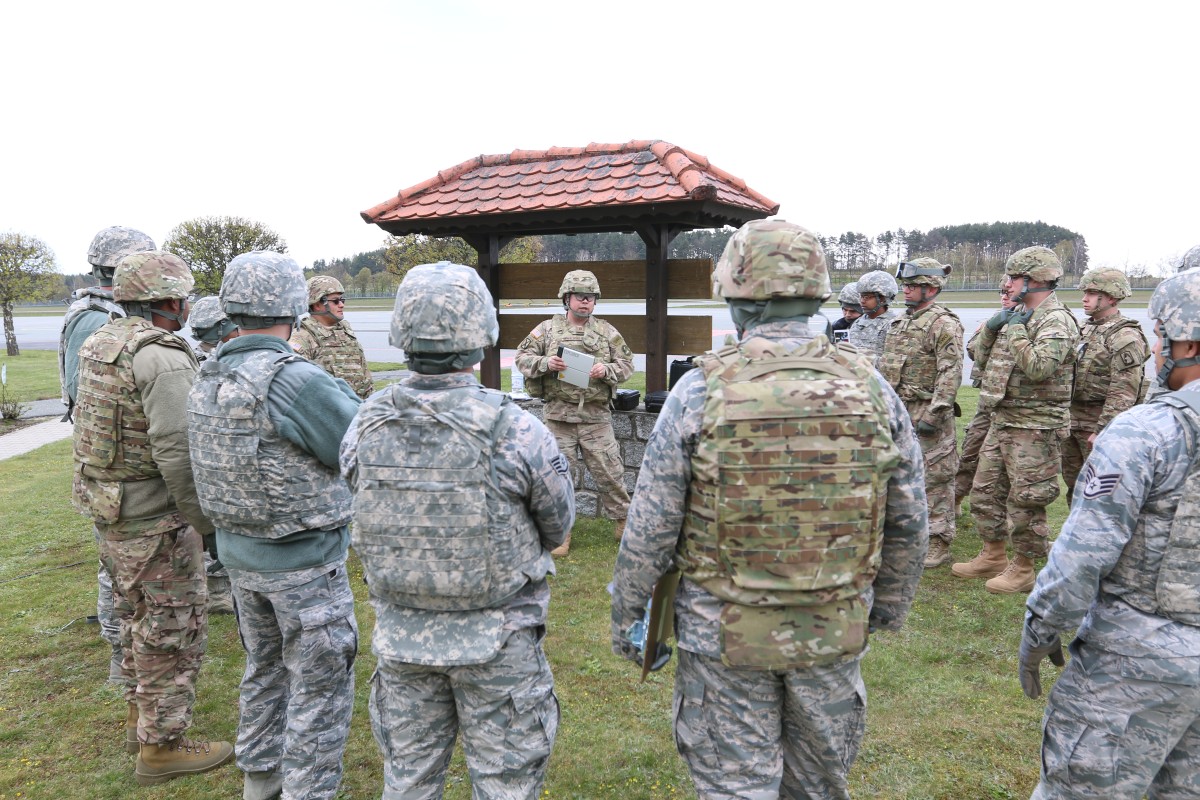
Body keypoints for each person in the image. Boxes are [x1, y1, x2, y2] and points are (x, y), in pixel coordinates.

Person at [611, 220, 929, 800]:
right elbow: (908, 515)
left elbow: (652, 523)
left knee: (736, 788)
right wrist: (884, 610)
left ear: (735, 295)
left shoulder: (700, 391)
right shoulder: (871, 388)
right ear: (816, 293)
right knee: (818, 786)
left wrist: (629, 614)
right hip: (831, 626)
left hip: (723, 633)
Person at [340, 261, 575, 799]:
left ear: (402, 334)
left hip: (402, 638)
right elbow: (557, 520)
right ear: (483, 337)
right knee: (505, 786)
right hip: (498, 642)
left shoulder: (366, 422)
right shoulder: (515, 427)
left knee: (408, 782)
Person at [1019, 267, 1200, 799]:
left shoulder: (1149, 431)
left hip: (1135, 665)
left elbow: (1082, 557)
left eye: (1161, 337)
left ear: (1185, 339)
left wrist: (1040, 631)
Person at [187, 252, 360, 800]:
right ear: (292, 305)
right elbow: (356, 444)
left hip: (241, 560)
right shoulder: (294, 379)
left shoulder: (209, 373)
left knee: (264, 672)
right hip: (305, 564)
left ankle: (259, 783)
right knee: (319, 690)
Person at [71, 250, 233, 786]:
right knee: (171, 628)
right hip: (155, 518)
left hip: (112, 510)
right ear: (169, 300)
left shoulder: (101, 342)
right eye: (183, 297)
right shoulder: (161, 356)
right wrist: (207, 526)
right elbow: (178, 451)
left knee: (136, 616)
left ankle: (140, 719)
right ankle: (162, 748)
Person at [59, 225, 157, 682]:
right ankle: (121, 652)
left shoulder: (106, 313)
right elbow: (89, 396)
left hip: (116, 458)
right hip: (114, 463)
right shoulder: (95, 319)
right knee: (117, 564)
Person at [952, 247, 1079, 594]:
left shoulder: (1056, 320)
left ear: (1035, 279)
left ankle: (1023, 567)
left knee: (1026, 500)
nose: (1006, 284)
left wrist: (1017, 332)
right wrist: (995, 326)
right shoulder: (1018, 312)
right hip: (1003, 418)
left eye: (1013, 278)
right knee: (985, 491)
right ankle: (992, 554)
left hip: (1035, 425)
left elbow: (1040, 368)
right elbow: (978, 353)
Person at [514, 269, 634, 555]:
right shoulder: (546, 330)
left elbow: (628, 364)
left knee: (609, 473)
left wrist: (607, 370)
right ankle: (560, 533)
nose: (586, 303)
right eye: (581, 297)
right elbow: (521, 357)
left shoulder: (606, 331)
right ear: (567, 298)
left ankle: (625, 522)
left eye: (591, 298)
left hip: (596, 417)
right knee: (556, 477)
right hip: (558, 418)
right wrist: (546, 363)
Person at [879, 258, 963, 568]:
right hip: (898, 410)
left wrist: (935, 413)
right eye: (906, 285)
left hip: (925, 411)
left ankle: (938, 541)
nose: (906, 290)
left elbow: (950, 372)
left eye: (913, 286)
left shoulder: (944, 323)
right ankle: (905, 531)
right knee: (898, 473)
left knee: (935, 477)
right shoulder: (901, 322)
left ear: (931, 288)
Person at [1062, 267, 1150, 504]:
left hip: (1097, 424)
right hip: (1072, 421)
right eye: (1085, 292)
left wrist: (1103, 430)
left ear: (1110, 297)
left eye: (1091, 293)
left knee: (1102, 493)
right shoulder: (1084, 329)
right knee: (1075, 488)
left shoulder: (1124, 336)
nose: (1084, 298)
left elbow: (1124, 391)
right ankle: (1078, 538)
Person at [185, 295, 240, 614]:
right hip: (212, 455)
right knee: (213, 527)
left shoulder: (194, 357)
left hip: (206, 456)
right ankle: (218, 592)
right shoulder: (209, 363)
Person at [953, 279, 1016, 511]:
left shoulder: (1032, 322)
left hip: (1013, 404)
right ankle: (956, 500)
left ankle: (1007, 512)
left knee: (1010, 464)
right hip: (987, 402)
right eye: (1001, 293)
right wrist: (990, 327)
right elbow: (972, 350)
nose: (1004, 297)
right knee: (970, 451)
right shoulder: (993, 321)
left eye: (1008, 293)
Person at [288, 275, 374, 399]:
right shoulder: (303, 337)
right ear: (317, 304)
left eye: (342, 300)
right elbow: (297, 387)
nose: (341, 305)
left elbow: (365, 376)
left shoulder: (346, 332)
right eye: (335, 301)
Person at [847, 269, 900, 364]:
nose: (862, 301)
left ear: (883, 298)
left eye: (867, 297)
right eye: (862, 296)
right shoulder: (858, 323)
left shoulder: (894, 324)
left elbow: (894, 362)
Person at [189, 295, 239, 361]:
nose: (239, 332)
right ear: (221, 327)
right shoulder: (224, 360)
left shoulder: (192, 357)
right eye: (235, 328)